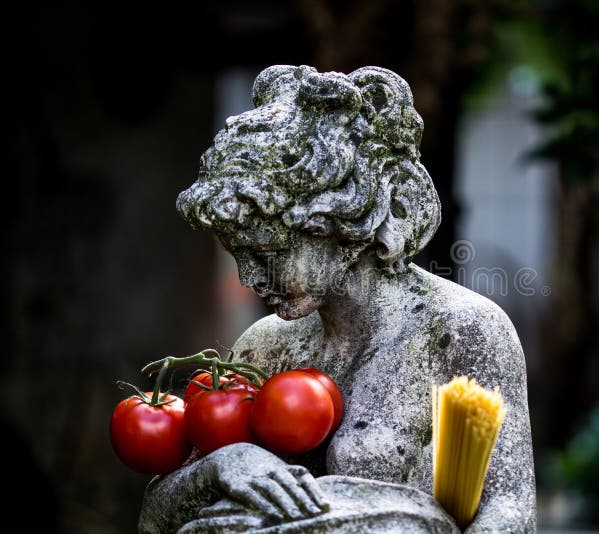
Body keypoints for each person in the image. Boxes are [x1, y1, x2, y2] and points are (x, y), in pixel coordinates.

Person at [139, 65, 535, 533]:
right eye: (237, 255)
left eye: (266, 253)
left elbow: (510, 512)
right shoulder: (266, 347)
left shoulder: (460, 331)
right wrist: (223, 465)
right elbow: (154, 519)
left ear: (343, 220)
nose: (248, 277)